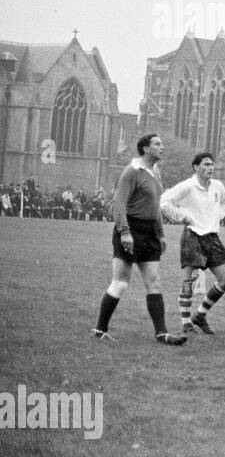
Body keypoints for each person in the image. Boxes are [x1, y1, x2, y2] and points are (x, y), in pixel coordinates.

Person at [92, 133, 186, 345]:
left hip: (149, 232)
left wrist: (160, 235)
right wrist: (125, 232)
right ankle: (99, 329)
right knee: (121, 283)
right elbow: (118, 205)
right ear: (145, 148)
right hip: (130, 230)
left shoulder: (156, 172)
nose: (162, 147)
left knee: (154, 282)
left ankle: (162, 333)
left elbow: (155, 207)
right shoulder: (132, 171)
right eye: (157, 144)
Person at [160, 151, 225, 335]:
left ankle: (200, 314)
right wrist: (182, 217)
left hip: (212, 237)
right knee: (188, 282)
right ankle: (186, 324)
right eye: (206, 164)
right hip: (193, 236)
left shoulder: (217, 186)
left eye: (212, 164)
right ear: (196, 167)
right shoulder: (188, 186)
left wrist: (218, 216)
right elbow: (164, 202)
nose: (210, 168)